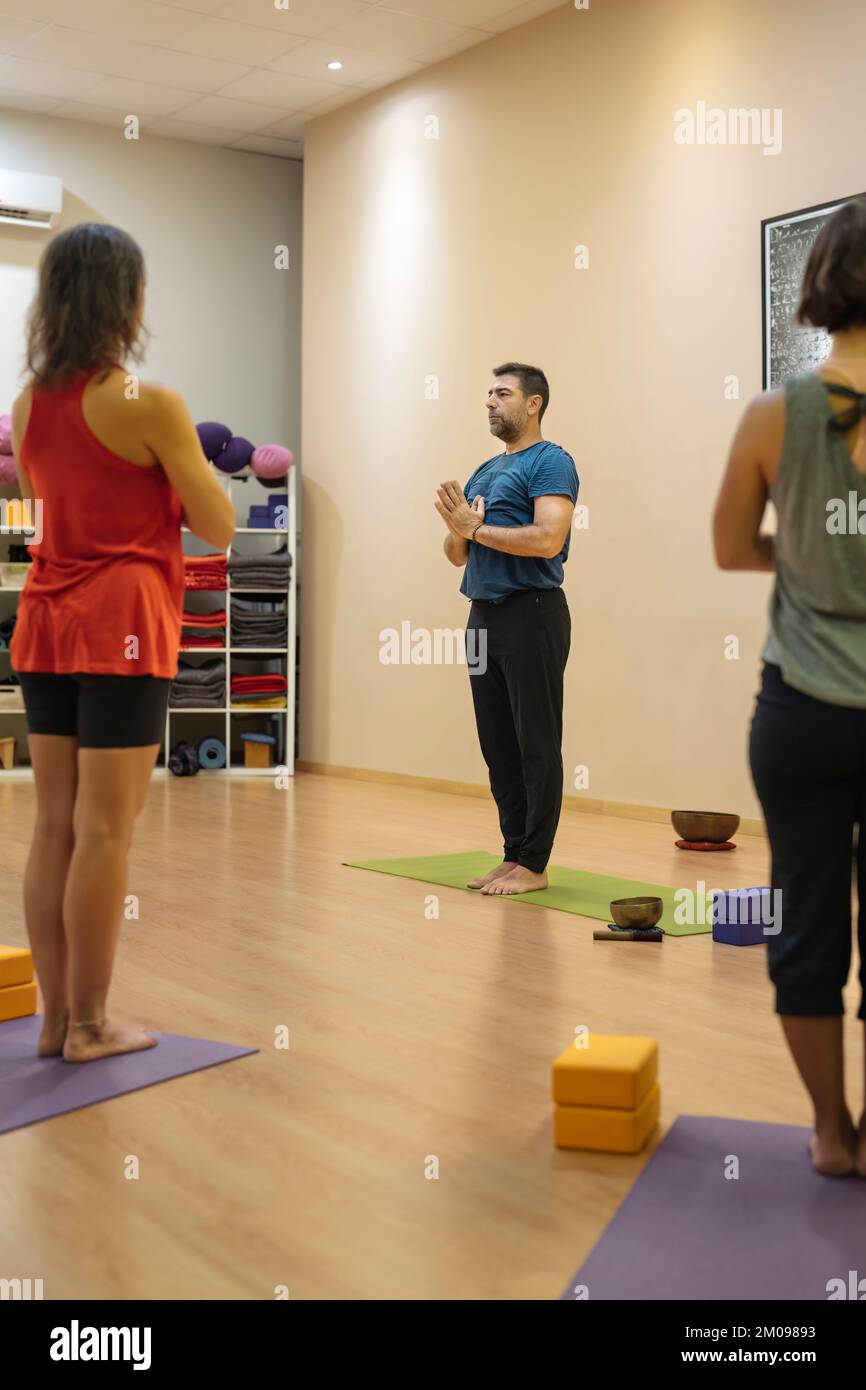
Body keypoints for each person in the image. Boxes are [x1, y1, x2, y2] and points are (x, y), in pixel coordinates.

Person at [9, 222, 235, 1063]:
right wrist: (178, 486)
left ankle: (53, 1020)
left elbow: (41, 507)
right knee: (106, 832)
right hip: (124, 623)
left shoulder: (28, 404)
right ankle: (94, 1025)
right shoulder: (150, 403)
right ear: (126, 298)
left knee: (54, 828)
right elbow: (217, 526)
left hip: (46, 619)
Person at [714, 199, 866, 1176]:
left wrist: (812, 563)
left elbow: (732, 547)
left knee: (803, 921)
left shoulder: (773, 413)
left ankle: (828, 1132)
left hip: (799, 715)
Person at [435, 362, 578, 895]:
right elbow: (456, 554)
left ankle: (535, 865)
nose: (490, 403)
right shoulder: (483, 471)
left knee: (535, 741)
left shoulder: (551, 462)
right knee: (497, 743)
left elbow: (546, 538)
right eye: (488, 394)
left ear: (533, 403)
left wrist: (476, 528)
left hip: (532, 611)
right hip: (481, 616)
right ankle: (513, 853)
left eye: (501, 393)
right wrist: (459, 528)